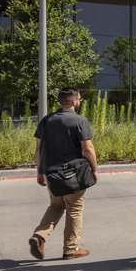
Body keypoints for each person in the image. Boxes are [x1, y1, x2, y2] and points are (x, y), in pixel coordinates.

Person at [29, 88, 99, 260]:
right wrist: (94, 169)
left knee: (56, 206)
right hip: (74, 175)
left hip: (52, 175)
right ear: (74, 101)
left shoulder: (46, 121)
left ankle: (40, 236)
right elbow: (88, 148)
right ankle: (70, 249)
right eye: (80, 99)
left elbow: (39, 149)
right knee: (74, 210)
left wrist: (40, 172)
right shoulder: (79, 120)